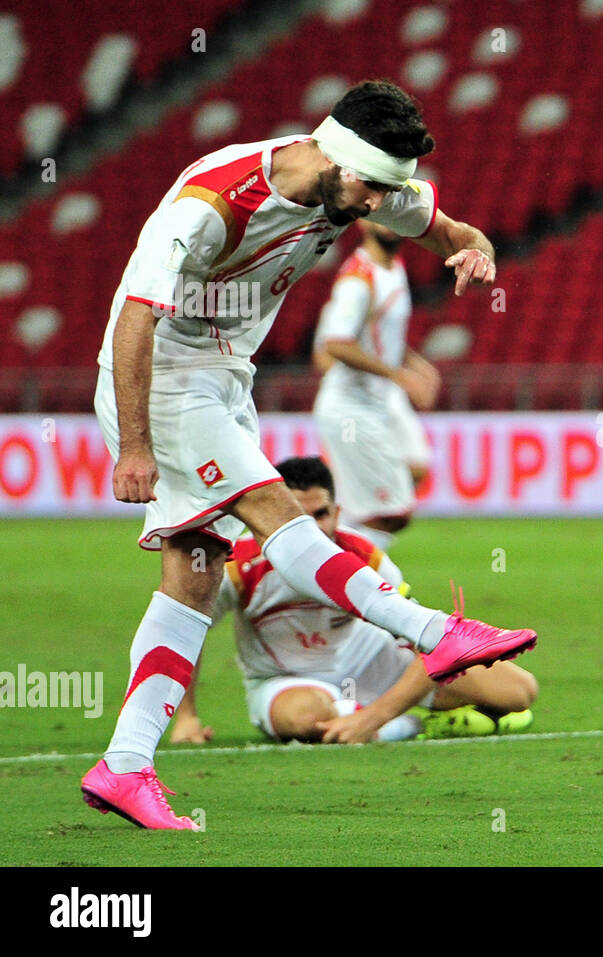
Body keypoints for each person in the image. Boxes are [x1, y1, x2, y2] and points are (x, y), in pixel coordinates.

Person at [83, 80, 537, 830]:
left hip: (227, 378)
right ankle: (433, 632)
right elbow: (133, 321)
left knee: (193, 579)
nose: (373, 210)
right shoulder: (211, 204)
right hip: (162, 376)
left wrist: (473, 251)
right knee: (277, 510)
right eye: (371, 190)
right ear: (337, 158)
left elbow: (451, 230)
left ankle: (126, 765)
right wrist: (134, 445)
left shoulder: (361, 183)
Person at [169, 457, 537, 746]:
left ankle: (381, 722)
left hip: (373, 663)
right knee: (305, 718)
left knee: (519, 691)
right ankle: (405, 725)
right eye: (298, 516)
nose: (312, 527)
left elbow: (429, 646)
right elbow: (187, 629)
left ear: (337, 513)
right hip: (287, 680)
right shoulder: (238, 566)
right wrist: (186, 717)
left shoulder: (365, 556)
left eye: (321, 514)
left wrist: (373, 716)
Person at [312, 220, 437, 549]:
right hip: (351, 407)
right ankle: (339, 574)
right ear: (364, 220)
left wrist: (416, 366)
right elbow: (334, 345)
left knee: (413, 472)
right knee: (390, 512)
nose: (392, 225)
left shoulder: (394, 268)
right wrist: (398, 375)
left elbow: (386, 335)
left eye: (398, 217)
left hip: (380, 402)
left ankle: (341, 550)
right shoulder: (357, 278)